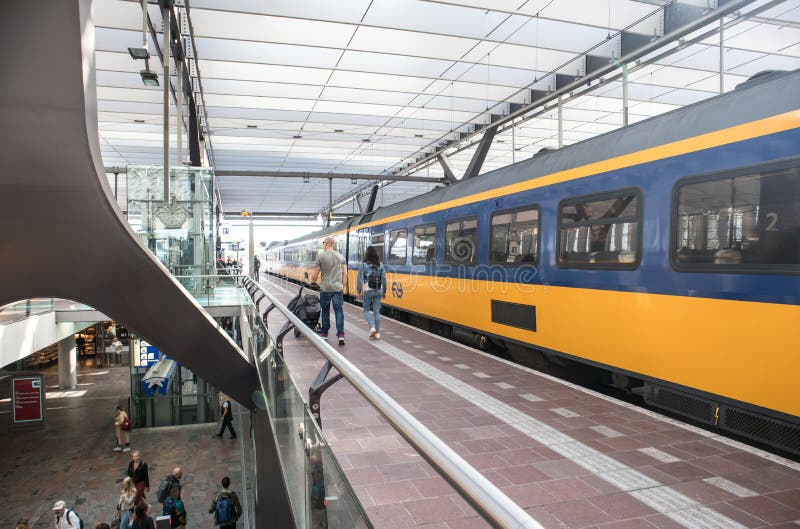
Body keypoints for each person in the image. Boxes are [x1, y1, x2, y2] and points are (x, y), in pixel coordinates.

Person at [309, 236, 347, 345]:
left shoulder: (320, 257)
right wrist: (342, 286)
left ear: (326, 244)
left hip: (325, 288)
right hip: (338, 288)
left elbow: (315, 275)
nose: (323, 245)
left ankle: (325, 333)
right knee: (339, 310)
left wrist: (313, 279)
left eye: (323, 243)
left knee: (325, 310)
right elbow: (345, 273)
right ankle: (341, 335)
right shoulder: (340, 257)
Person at [356, 245, 387, 340]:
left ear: (367, 254)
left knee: (366, 310)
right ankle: (377, 334)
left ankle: (371, 327)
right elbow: (384, 279)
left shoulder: (363, 264)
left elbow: (360, 279)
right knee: (376, 312)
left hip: (368, 289)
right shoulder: (380, 265)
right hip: (378, 290)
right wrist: (384, 291)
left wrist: (359, 291)